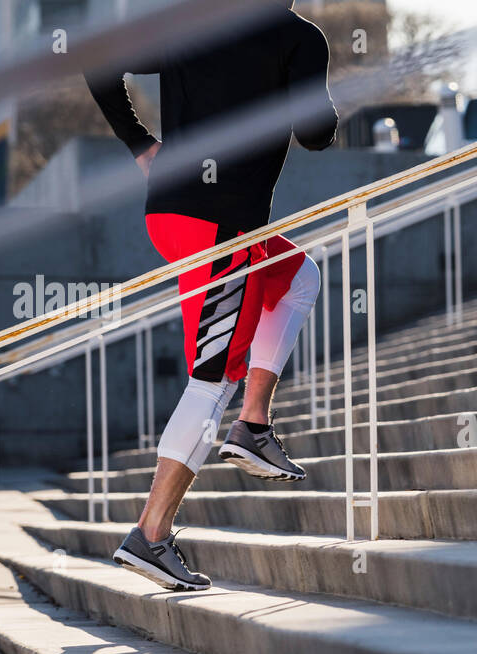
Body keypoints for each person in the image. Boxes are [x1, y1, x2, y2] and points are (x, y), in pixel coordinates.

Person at [84, 3, 337, 591]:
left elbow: (100, 63)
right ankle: (151, 535)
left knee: (299, 275)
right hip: (221, 226)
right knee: (212, 377)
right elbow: (317, 135)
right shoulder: (296, 35)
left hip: (174, 212)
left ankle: (253, 425)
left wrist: (140, 144)